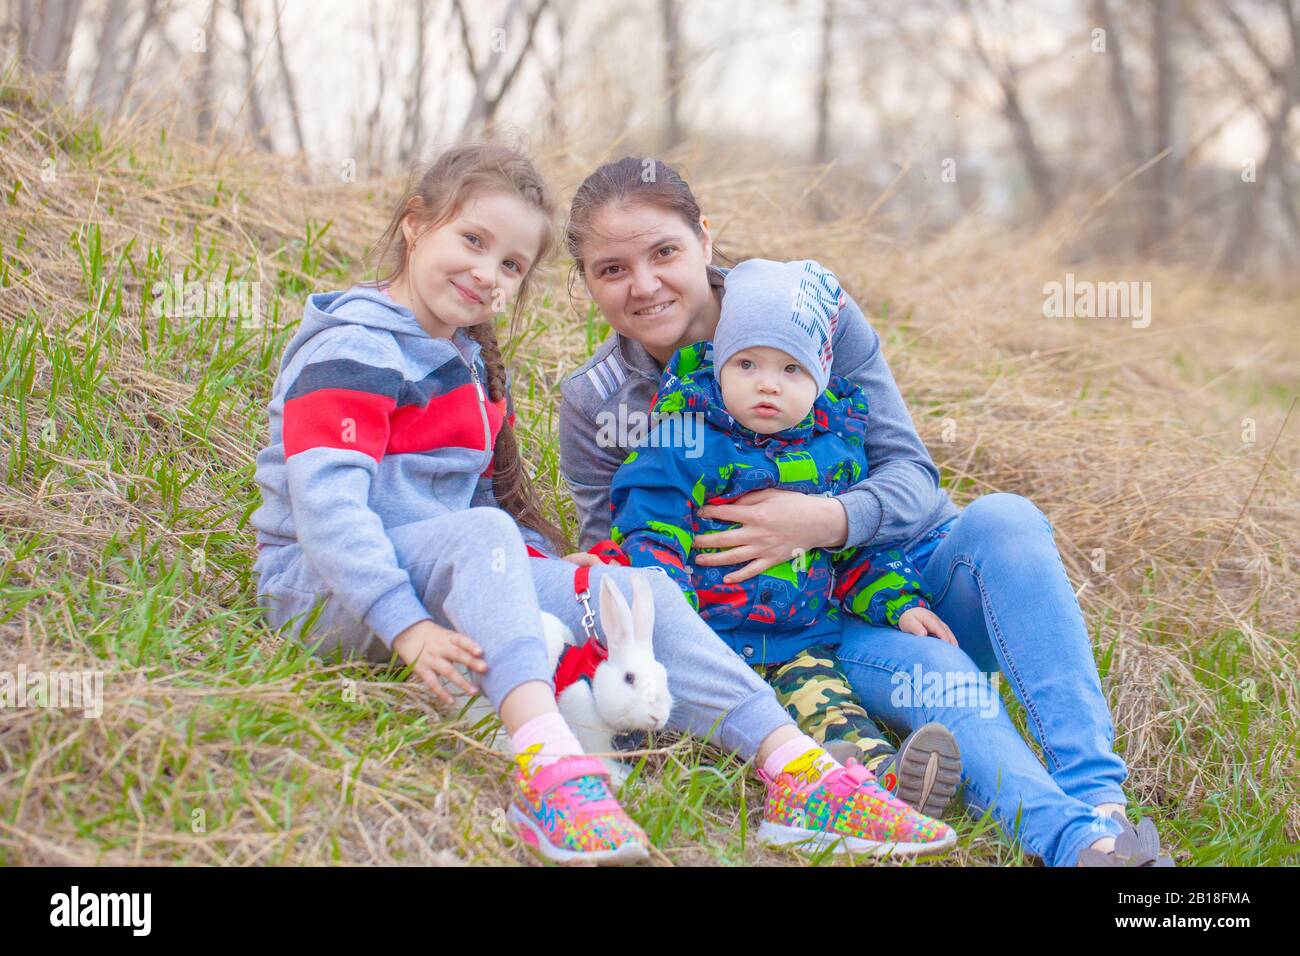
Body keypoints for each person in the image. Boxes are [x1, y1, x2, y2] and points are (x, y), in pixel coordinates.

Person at [249, 143, 955, 864]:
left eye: (511, 266)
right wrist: (403, 626)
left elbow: (479, 523)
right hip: (321, 587)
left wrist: (570, 579)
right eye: (472, 241)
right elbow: (327, 509)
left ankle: (799, 774)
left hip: (439, 573)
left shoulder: (464, 363)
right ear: (413, 223)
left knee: (633, 587)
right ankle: (551, 773)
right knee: (487, 532)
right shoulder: (355, 345)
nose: (486, 274)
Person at [558, 156, 1173, 866]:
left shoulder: (807, 308)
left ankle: (1099, 800)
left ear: (704, 235)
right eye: (610, 270)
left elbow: (912, 473)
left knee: (1006, 519)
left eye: (664, 251)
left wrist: (822, 521)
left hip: (904, 576)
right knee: (934, 675)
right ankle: (1073, 843)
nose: (644, 285)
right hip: (790, 633)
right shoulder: (600, 401)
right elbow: (627, 571)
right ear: (587, 281)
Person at [607, 257, 961, 817]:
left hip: (796, 643)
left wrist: (899, 603)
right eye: (747, 363)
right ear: (720, 367)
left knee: (832, 707)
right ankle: (621, 752)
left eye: (791, 370)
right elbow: (650, 526)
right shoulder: (685, 442)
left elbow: (855, 557)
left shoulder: (834, 459)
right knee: (665, 707)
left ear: (820, 383)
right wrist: (669, 605)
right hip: (709, 640)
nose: (768, 383)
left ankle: (884, 785)